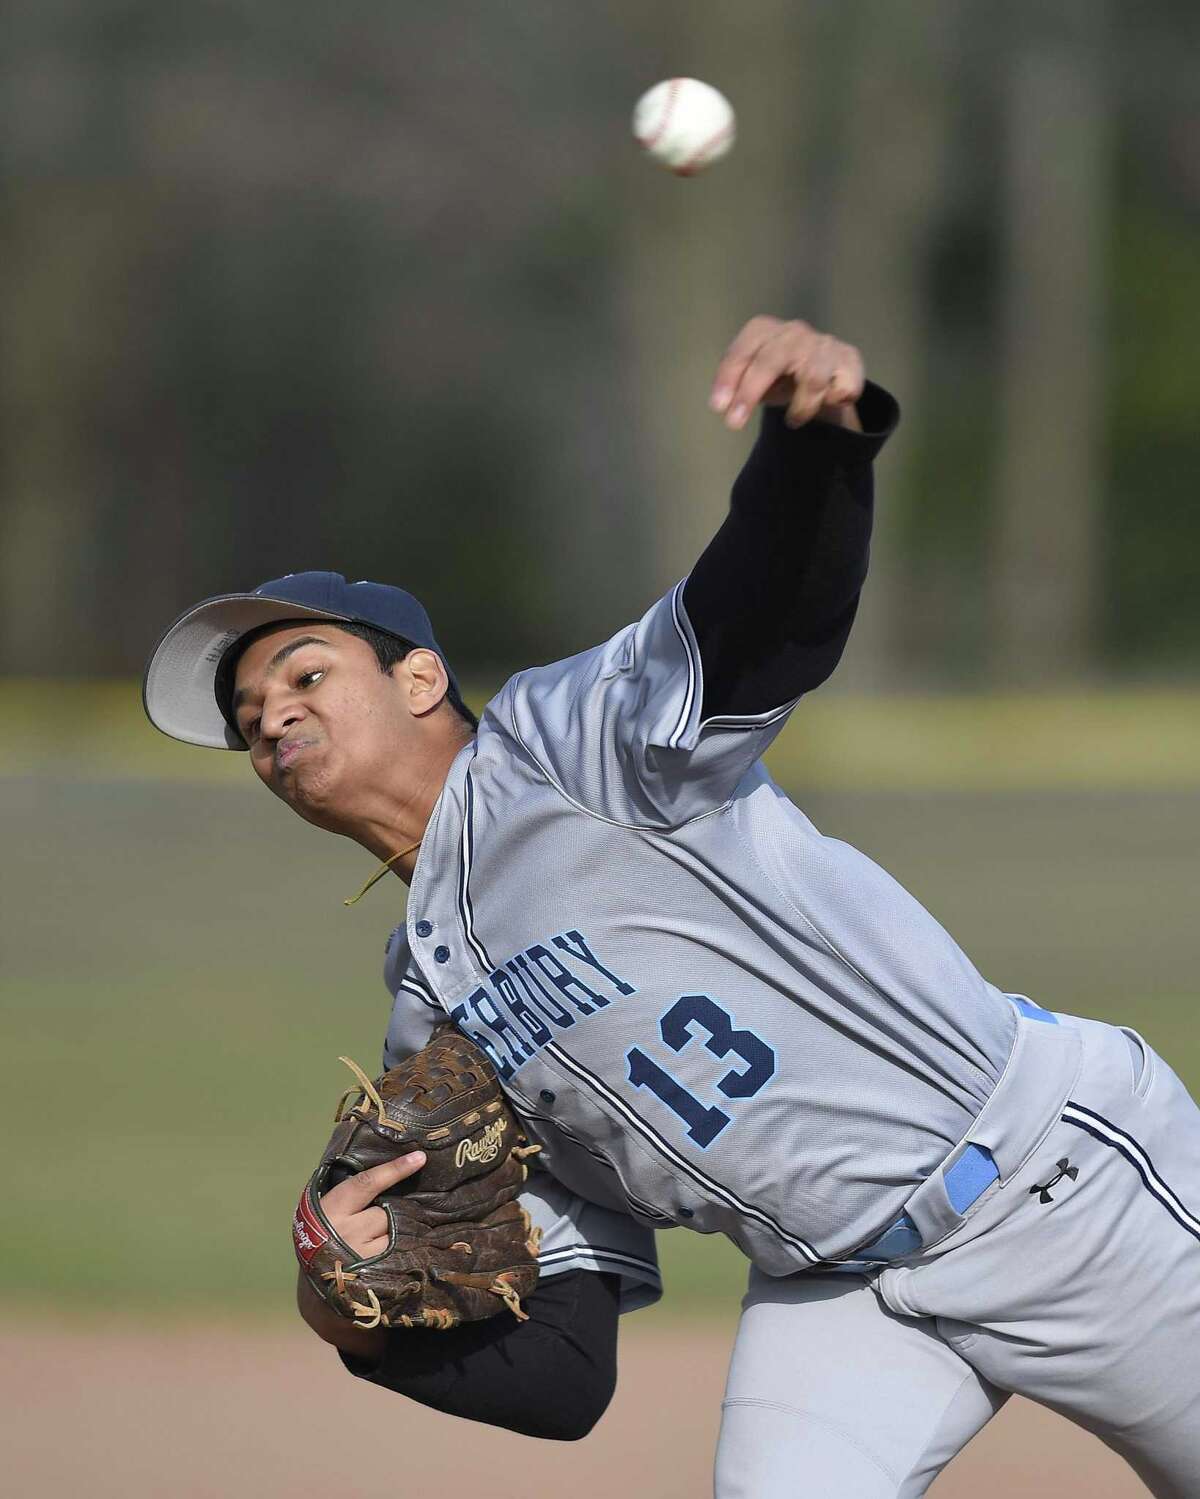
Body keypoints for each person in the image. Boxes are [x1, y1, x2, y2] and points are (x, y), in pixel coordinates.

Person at [144, 317, 1200, 1497]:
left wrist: (816, 444)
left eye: (305, 673)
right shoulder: (431, 1019)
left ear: (422, 676)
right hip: (839, 1289)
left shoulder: (564, 749)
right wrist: (349, 1316)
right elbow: (561, 1372)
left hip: (1053, 1182)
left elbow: (761, 623)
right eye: (249, 720)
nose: (273, 717)